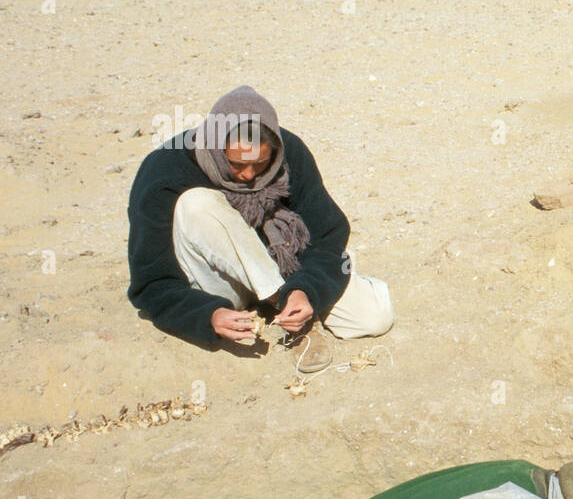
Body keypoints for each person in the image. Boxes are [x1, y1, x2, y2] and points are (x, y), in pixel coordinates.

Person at [127, 86, 394, 371]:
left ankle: (289, 303)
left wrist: (305, 290)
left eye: (261, 163)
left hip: (288, 270)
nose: (249, 176)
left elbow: (327, 236)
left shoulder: (290, 152)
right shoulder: (165, 169)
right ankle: (285, 304)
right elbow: (151, 283)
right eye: (237, 164)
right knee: (195, 203)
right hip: (221, 286)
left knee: (375, 316)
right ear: (217, 147)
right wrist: (207, 315)